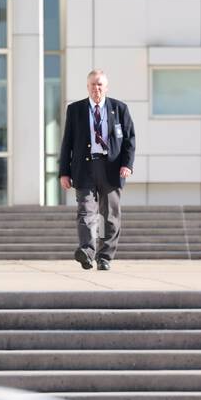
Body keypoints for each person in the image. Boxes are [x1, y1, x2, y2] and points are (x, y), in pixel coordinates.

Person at [58, 68, 136, 271]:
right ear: (87, 87)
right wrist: (64, 172)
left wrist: (127, 165)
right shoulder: (75, 110)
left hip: (111, 168)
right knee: (86, 211)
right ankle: (87, 251)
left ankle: (104, 256)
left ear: (106, 87)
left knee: (109, 215)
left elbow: (129, 141)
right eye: (93, 84)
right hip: (84, 168)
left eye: (100, 84)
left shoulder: (119, 109)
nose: (96, 88)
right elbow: (67, 143)